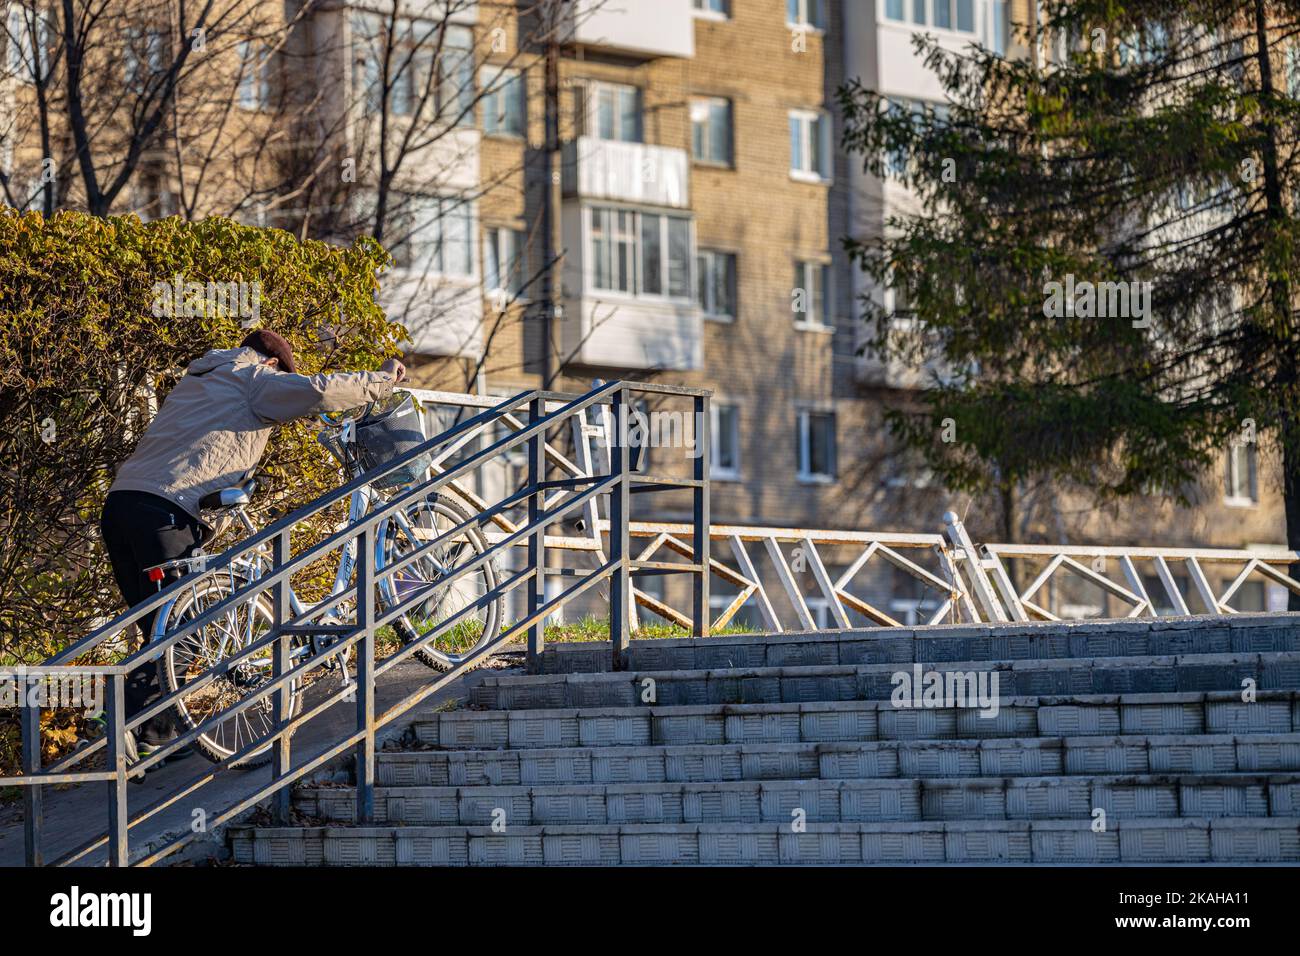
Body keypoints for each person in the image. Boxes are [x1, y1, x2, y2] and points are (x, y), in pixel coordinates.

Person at [96, 329, 406, 763]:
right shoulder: (256, 379)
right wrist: (381, 379)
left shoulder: (202, 376)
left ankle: (152, 735)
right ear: (273, 363)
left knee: (160, 628)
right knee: (187, 629)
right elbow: (318, 391)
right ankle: (120, 727)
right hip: (167, 513)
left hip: (122, 505)